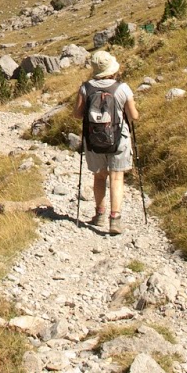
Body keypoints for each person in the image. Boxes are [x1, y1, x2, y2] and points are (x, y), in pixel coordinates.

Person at [73, 49, 139, 234]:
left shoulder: (85, 88)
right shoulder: (122, 88)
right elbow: (133, 116)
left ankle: (100, 214)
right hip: (119, 139)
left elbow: (77, 115)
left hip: (94, 139)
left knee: (100, 176)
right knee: (117, 177)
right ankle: (115, 219)